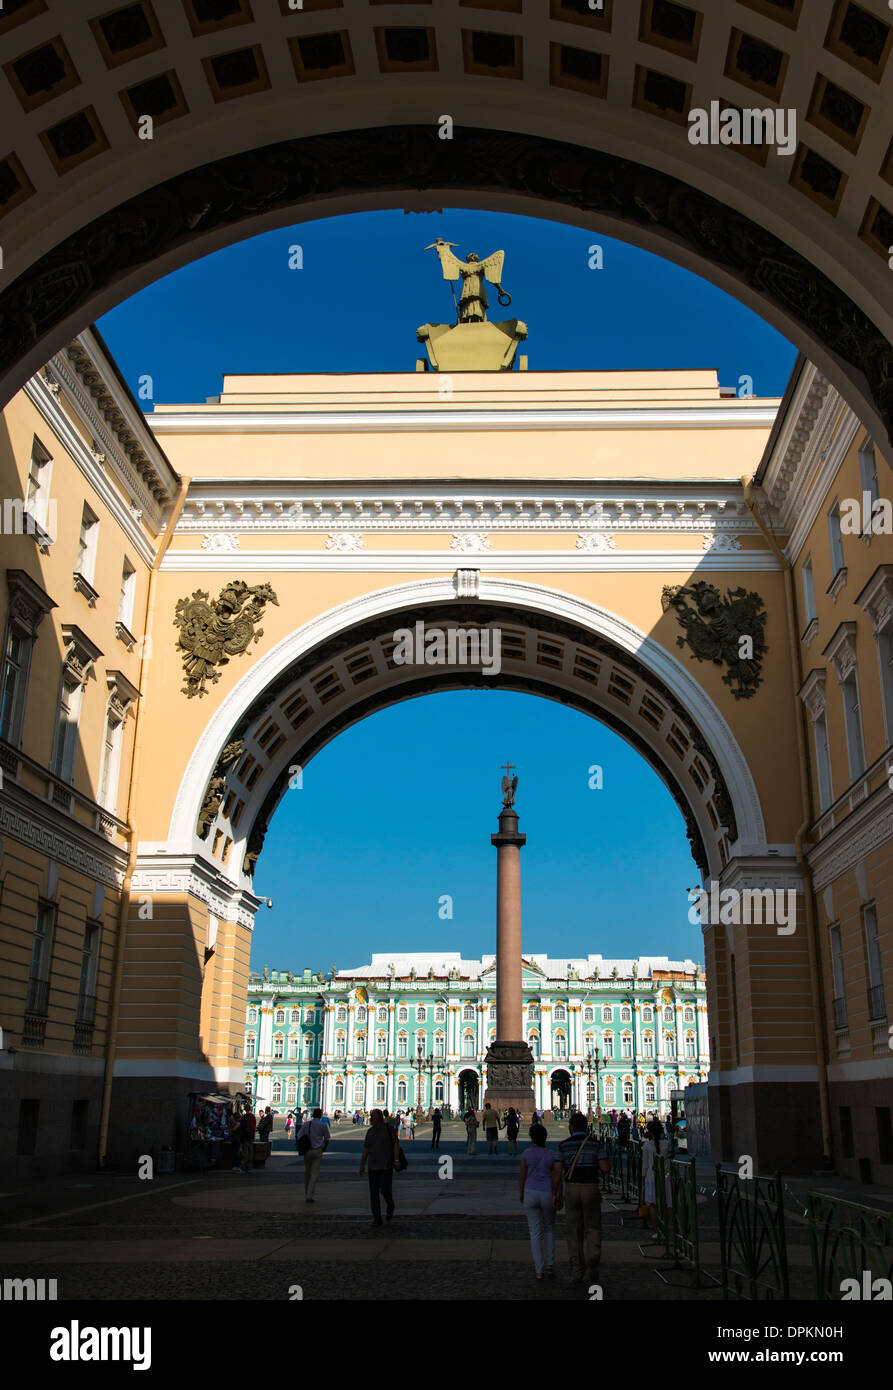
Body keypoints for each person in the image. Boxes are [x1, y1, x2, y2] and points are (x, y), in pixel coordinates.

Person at [558, 1112, 610, 1285]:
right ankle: (593, 1257)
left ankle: (577, 1270)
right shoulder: (595, 1144)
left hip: (572, 1189)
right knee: (593, 1227)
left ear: (571, 1128)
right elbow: (605, 1167)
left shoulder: (564, 1146)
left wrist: (556, 1193)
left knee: (573, 1231)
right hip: (590, 1188)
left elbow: (557, 1172)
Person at [518, 1122, 562, 1280]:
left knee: (534, 1233)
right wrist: (557, 1193)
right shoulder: (552, 1154)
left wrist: (522, 1193)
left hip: (530, 1192)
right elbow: (558, 1172)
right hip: (547, 1193)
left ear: (531, 1138)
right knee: (549, 1229)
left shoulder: (526, 1154)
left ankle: (539, 1271)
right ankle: (549, 1265)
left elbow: (522, 1176)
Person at [359, 1108, 400, 1227]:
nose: (372, 1118)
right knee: (374, 1194)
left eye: (374, 1116)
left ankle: (390, 1205)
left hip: (386, 1166)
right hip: (373, 1167)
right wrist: (362, 1165)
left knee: (386, 1191)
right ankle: (377, 1219)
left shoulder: (388, 1129)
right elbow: (366, 1149)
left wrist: (396, 1160)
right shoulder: (370, 1132)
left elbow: (396, 1144)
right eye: (371, 1116)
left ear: (380, 1118)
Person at [642, 1119, 670, 1240]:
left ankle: (656, 1230)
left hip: (651, 1177)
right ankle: (665, 1228)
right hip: (665, 1177)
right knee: (665, 1204)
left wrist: (642, 1180)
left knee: (652, 1205)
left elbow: (645, 1165)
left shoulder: (647, 1145)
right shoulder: (667, 1144)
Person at [297, 1107, 329, 1203]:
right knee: (314, 1174)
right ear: (320, 1115)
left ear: (313, 1114)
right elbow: (327, 1139)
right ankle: (309, 1196)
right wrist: (324, 1149)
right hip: (318, 1150)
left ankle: (307, 1193)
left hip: (307, 1151)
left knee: (307, 1173)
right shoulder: (323, 1125)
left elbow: (299, 1136)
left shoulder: (307, 1124)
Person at [233, 1107, 256, 1174]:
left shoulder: (245, 1117)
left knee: (245, 1152)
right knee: (250, 1152)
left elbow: (242, 1127)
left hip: (245, 1137)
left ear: (245, 1109)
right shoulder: (253, 1116)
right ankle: (249, 1166)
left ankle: (243, 1167)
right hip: (251, 1136)